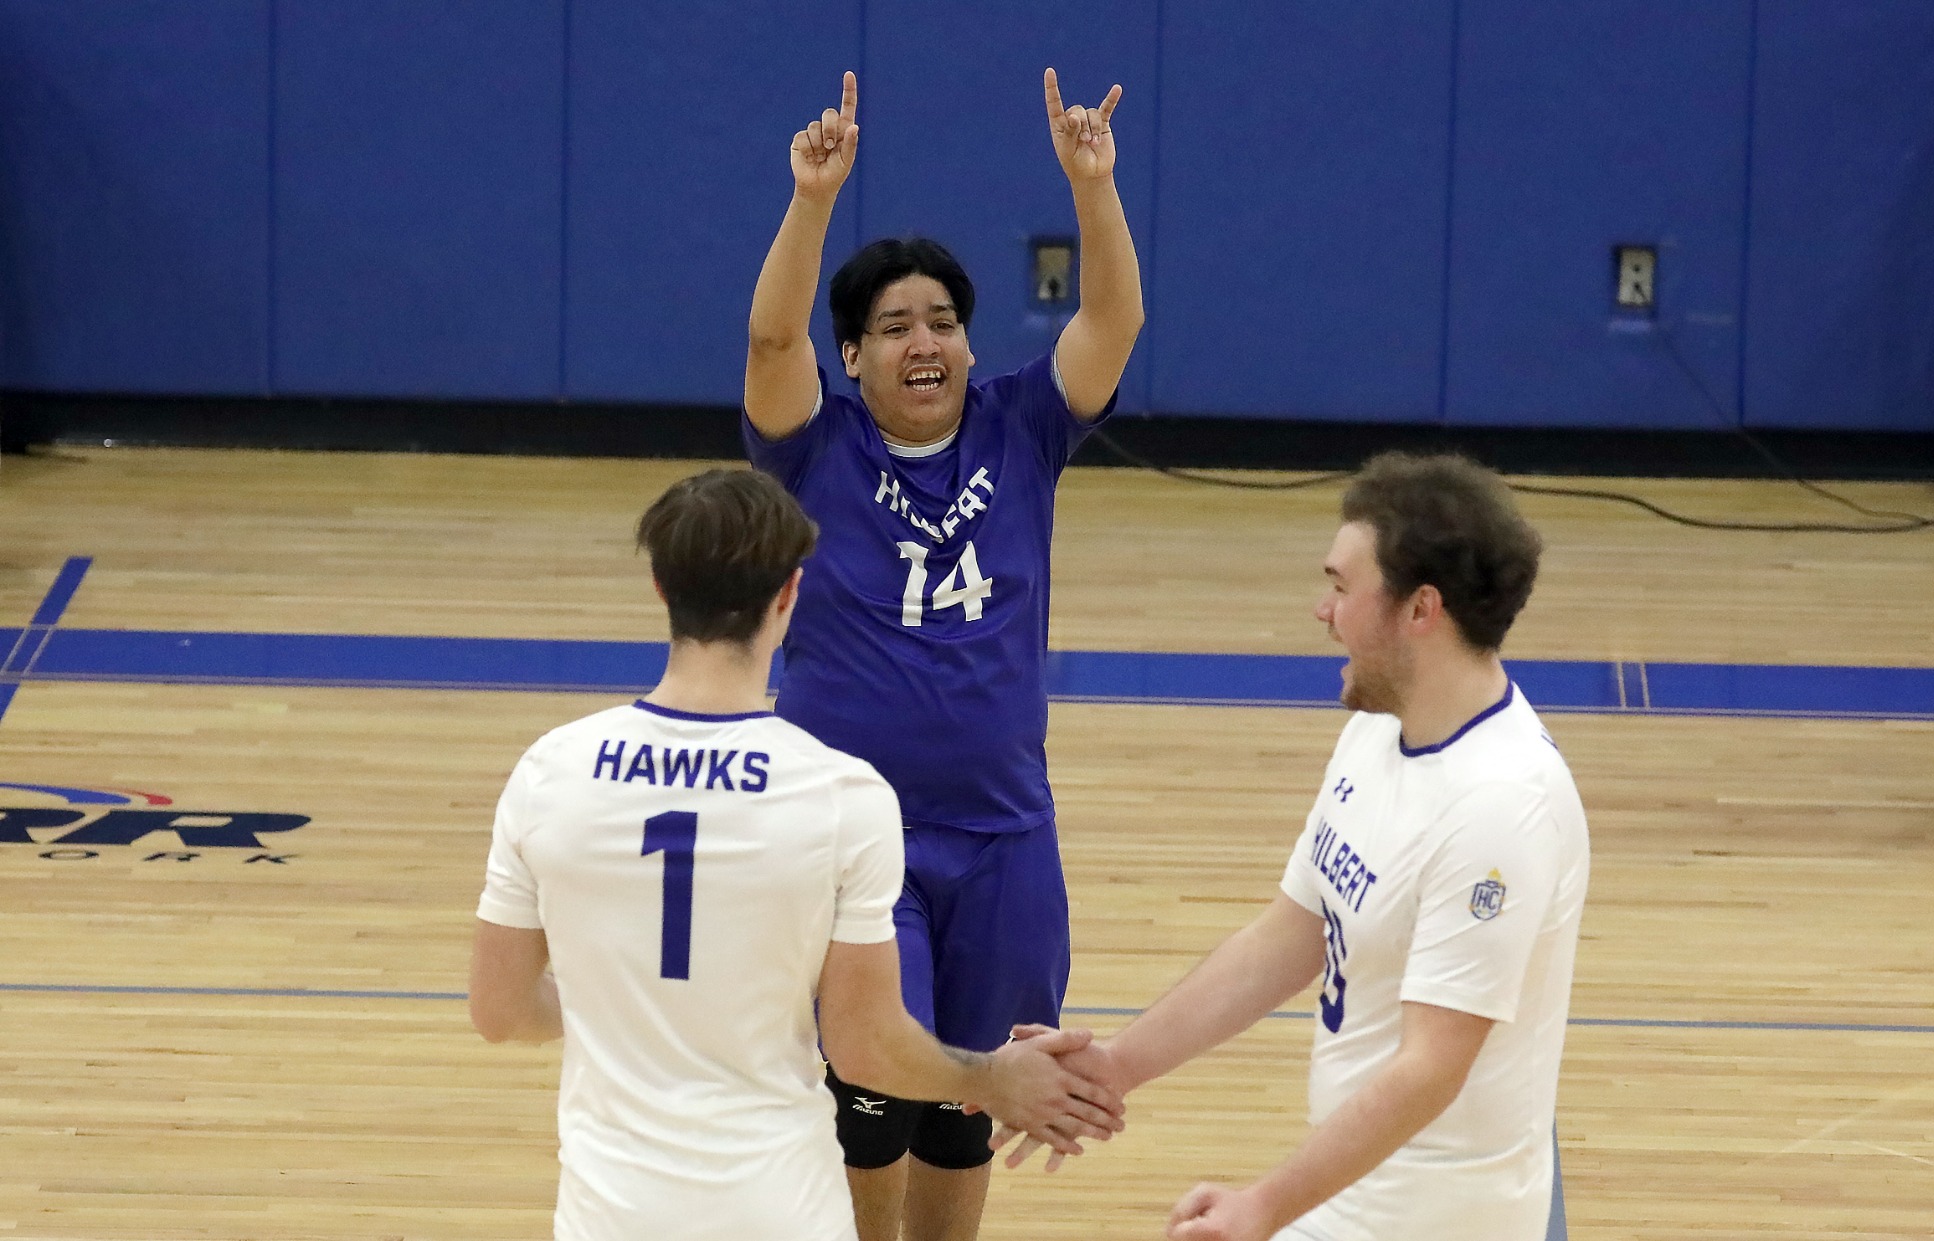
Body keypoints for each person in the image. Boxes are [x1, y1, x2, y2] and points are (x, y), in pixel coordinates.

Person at [466, 469, 1124, 1241]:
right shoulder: (841, 793)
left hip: (610, 1214)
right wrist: (991, 1077)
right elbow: (865, 1043)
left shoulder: (553, 769)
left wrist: (630, 1006)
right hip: (780, 1210)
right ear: (789, 594)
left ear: (660, 587)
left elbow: (500, 1010)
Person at [739, 67, 1145, 1241]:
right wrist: (811, 199)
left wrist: (1091, 187)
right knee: (872, 1095)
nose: (926, 342)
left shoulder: (1023, 424)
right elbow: (771, 333)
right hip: (855, 832)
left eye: (944, 321)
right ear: (854, 358)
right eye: (894, 327)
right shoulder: (810, 447)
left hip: (1004, 827)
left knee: (972, 1097)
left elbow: (1110, 322)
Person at [997, 453, 1592, 1241]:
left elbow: (1430, 1068)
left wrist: (1264, 1205)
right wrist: (1115, 1064)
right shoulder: (1378, 733)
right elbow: (1288, 935)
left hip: (1433, 1219)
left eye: (1344, 587)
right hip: (1355, 1194)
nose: (1323, 609)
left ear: (1420, 609)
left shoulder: (1500, 809)